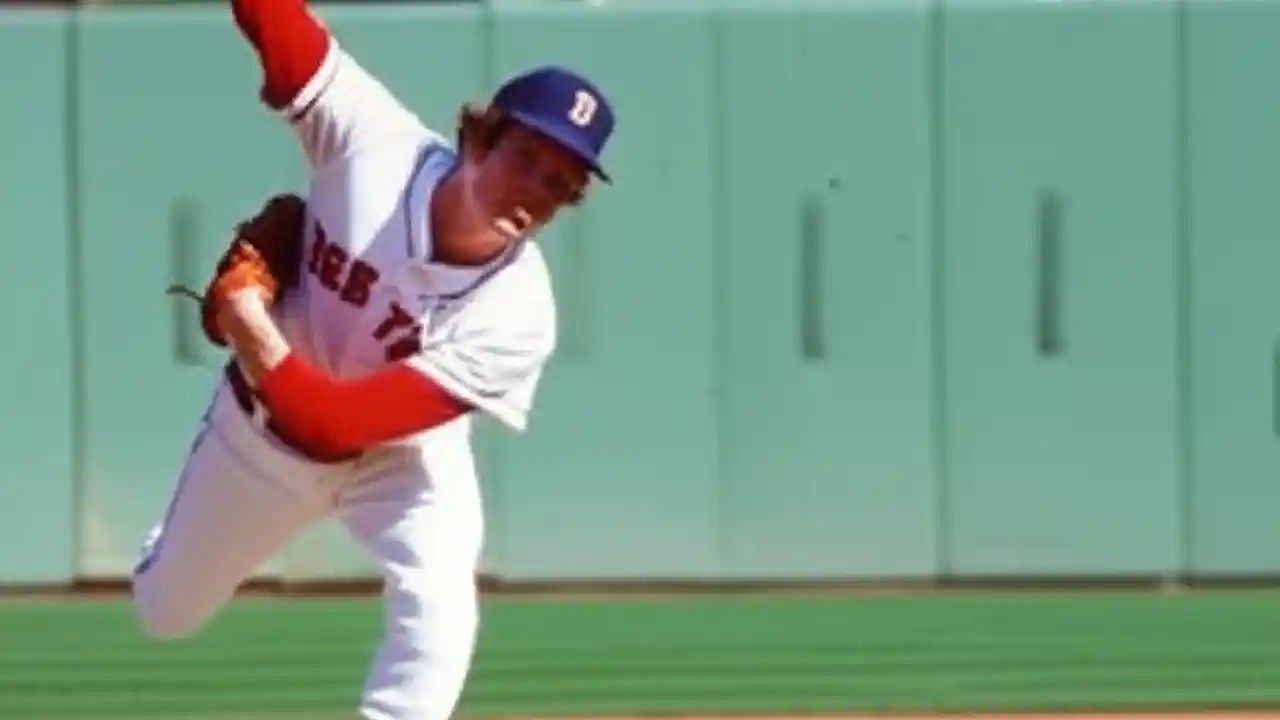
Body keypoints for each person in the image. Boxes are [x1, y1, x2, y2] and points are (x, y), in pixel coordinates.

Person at [131, 1, 617, 719]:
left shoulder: (519, 314)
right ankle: (169, 542)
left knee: (442, 606)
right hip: (257, 439)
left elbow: (337, 424)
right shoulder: (377, 144)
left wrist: (249, 322)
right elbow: (277, 25)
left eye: (559, 181)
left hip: (401, 456)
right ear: (480, 138)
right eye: (528, 158)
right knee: (164, 610)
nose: (536, 190)